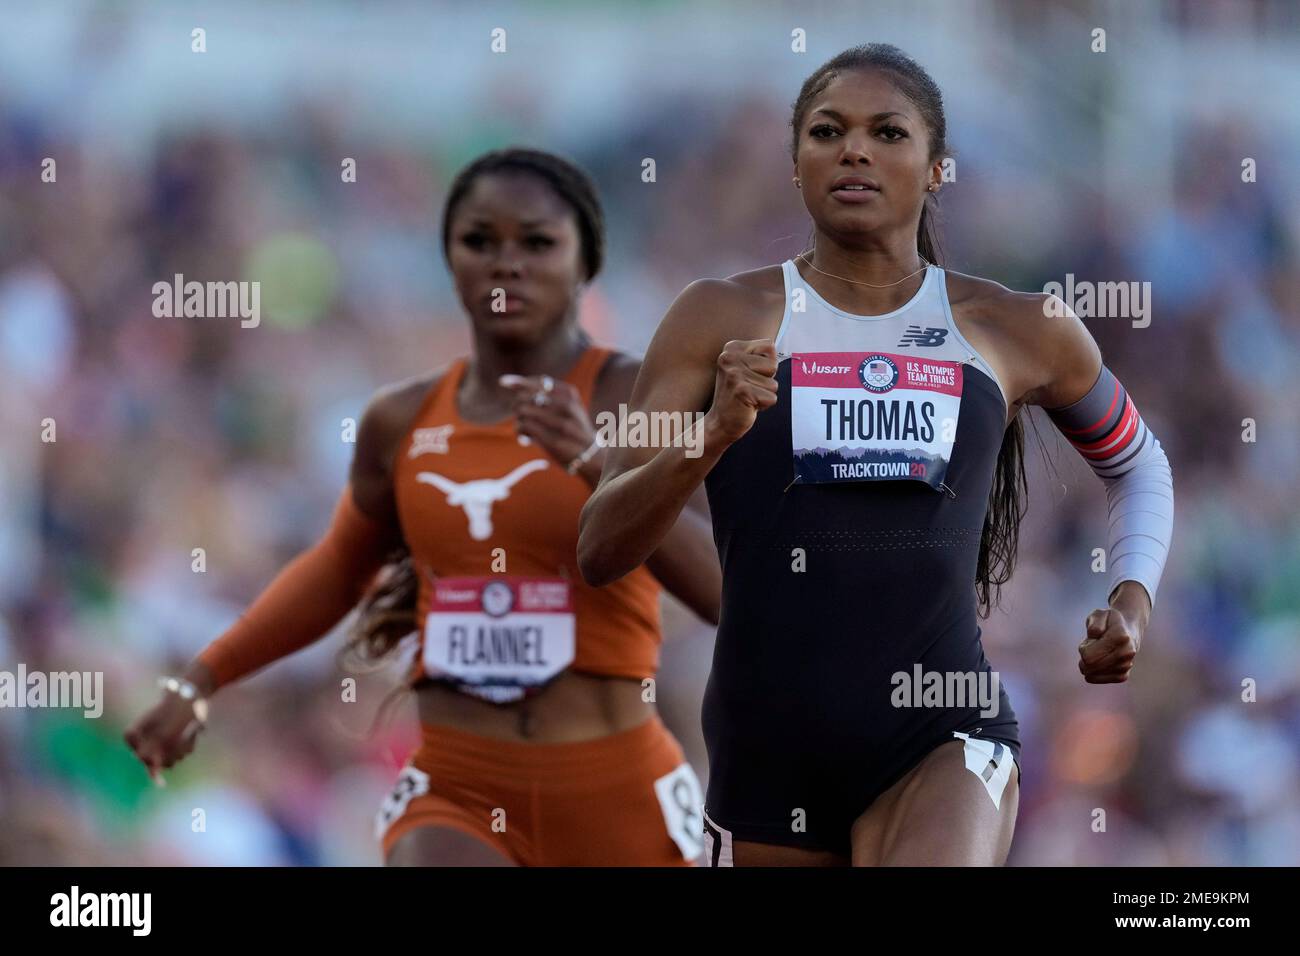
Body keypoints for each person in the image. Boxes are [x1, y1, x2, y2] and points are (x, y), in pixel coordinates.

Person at [578, 44, 1174, 866]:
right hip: (768, 749)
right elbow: (600, 544)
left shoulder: (1017, 327)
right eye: (828, 131)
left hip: (941, 728)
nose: (854, 149)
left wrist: (1133, 601)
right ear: (796, 164)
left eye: (888, 132)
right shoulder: (715, 315)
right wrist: (709, 436)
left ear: (937, 169)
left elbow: (1138, 462)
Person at [125, 147, 721, 867]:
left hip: (612, 781)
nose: (506, 264)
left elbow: (729, 593)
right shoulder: (400, 421)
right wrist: (201, 678)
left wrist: (594, 467)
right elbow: (336, 572)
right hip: (460, 787)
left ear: (584, 259)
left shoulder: (640, 401)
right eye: (479, 241)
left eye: (537, 242)